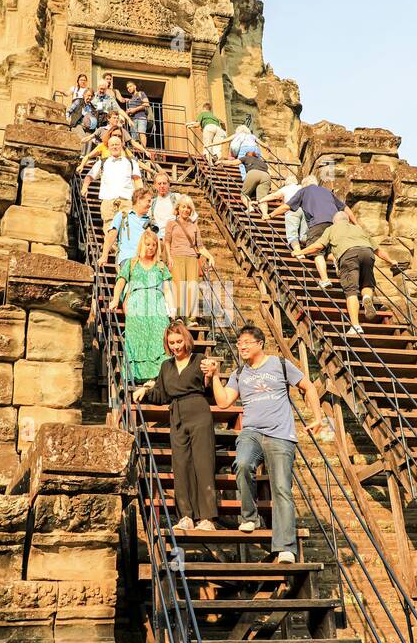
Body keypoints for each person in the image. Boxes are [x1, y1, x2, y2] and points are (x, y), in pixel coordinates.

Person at [202, 325, 325, 563]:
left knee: (281, 488)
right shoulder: (239, 373)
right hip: (252, 432)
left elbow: (308, 386)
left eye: (246, 341)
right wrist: (216, 376)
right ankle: (249, 516)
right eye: (239, 343)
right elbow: (224, 401)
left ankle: (286, 547)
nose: (242, 347)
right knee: (243, 463)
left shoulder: (279, 365)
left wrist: (318, 417)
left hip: (280, 435)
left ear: (260, 343)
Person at [132, 319, 218, 532]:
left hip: (198, 410)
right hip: (177, 415)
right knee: (180, 465)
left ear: (186, 340)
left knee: (203, 463)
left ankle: (206, 518)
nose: (176, 346)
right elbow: (161, 394)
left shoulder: (199, 360)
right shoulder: (166, 366)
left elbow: (210, 391)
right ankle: (186, 516)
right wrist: (145, 391)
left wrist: (211, 374)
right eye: (171, 342)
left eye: (179, 341)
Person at [295, 210, 398, 335]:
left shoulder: (331, 229)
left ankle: (356, 326)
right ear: (348, 220)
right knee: (367, 284)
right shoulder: (359, 229)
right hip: (367, 253)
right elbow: (378, 251)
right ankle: (366, 298)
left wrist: (300, 252)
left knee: (351, 291)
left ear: (334, 221)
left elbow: (318, 246)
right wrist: (391, 261)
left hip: (349, 255)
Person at [111, 229, 176, 383]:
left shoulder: (161, 266)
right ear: (142, 244)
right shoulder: (132, 263)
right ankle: (136, 377)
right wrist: (115, 299)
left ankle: (159, 376)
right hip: (136, 304)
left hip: (156, 305)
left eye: (153, 245)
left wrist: (172, 308)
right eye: (147, 244)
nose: (151, 248)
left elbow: (167, 289)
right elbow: (120, 282)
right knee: (137, 338)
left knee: (160, 336)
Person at [282, 180, 356, 287]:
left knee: (317, 252)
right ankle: (336, 259)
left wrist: (270, 215)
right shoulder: (326, 192)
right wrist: (356, 223)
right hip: (334, 224)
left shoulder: (304, 191)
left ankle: (325, 280)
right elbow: (345, 208)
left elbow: (286, 206)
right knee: (329, 250)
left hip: (318, 224)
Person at [164, 195, 214, 323]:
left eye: (188, 208)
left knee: (192, 287)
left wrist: (210, 256)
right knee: (178, 286)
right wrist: (169, 257)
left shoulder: (194, 226)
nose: (186, 210)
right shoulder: (171, 224)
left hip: (191, 258)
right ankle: (179, 316)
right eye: (183, 207)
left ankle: (191, 318)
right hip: (176, 256)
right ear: (178, 208)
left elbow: (200, 246)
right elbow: (167, 242)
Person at [81, 133, 143, 227]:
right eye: (112, 145)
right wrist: (85, 187)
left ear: (121, 145)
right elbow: (89, 176)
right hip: (108, 201)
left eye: (117, 144)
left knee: (127, 231)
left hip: (126, 201)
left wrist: (140, 198)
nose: (114, 147)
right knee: (109, 231)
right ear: (108, 147)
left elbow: (137, 180)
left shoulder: (131, 162)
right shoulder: (102, 162)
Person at [99, 186, 153, 267]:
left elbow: (160, 244)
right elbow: (111, 235)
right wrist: (104, 255)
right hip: (128, 259)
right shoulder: (122, 215)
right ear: (139, 200)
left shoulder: (151, 222)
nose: (150, 205)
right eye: (148, 201)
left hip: (147, 261)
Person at [263, 173, 316, 249]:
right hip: (305, 209)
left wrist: (260, 201)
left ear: (286, 183)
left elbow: (274, 196)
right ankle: (310, 249)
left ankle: (299, 252)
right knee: (304, 235)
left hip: (292, 209)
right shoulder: (301, 187)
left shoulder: (286, 188)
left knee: (292, 234)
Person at [238, 146, 272, 211]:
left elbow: (233, 163)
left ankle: (250, 208)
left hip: (253, 173)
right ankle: (265, 214)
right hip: (266, 176)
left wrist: (221, 162)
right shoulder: (262, 162)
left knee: (244, 194)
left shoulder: (246, 158)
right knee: (262, 198)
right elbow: (270, 173)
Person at [125, 82, 152, 149]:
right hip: (133, 119)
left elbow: (146, 104)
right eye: (127, 88)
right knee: (134, 137)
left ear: (135, 86)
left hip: (141, 117)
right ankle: (136, 150)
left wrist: (134, 110)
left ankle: (143, 149)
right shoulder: (130, 100)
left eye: (130, 86)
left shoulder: (141, 93)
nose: (129, 88)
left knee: (141, 133)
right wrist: (128, 112)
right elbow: (131, 111)